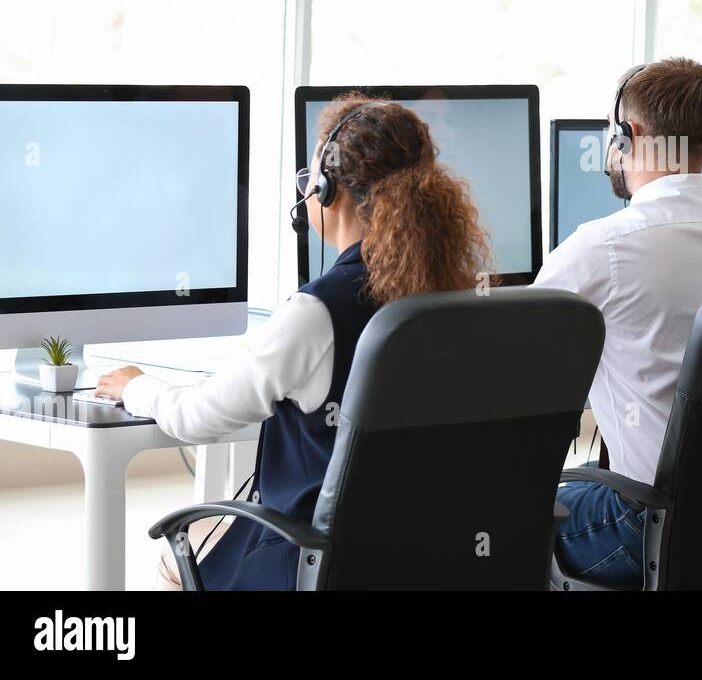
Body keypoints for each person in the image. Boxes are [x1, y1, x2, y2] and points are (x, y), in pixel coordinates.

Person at [94, 95, 491, 590]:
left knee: (178, 561)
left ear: (326, 190)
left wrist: (137, 387)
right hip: (429, 556)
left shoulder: (318, 311)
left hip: (323, 563)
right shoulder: (456, 297)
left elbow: (196, 418)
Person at [536, 57, 702, 588]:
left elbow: (514, 362)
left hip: (646, 520)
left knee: (500, 516)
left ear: (631, 134)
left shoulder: (601, 247)